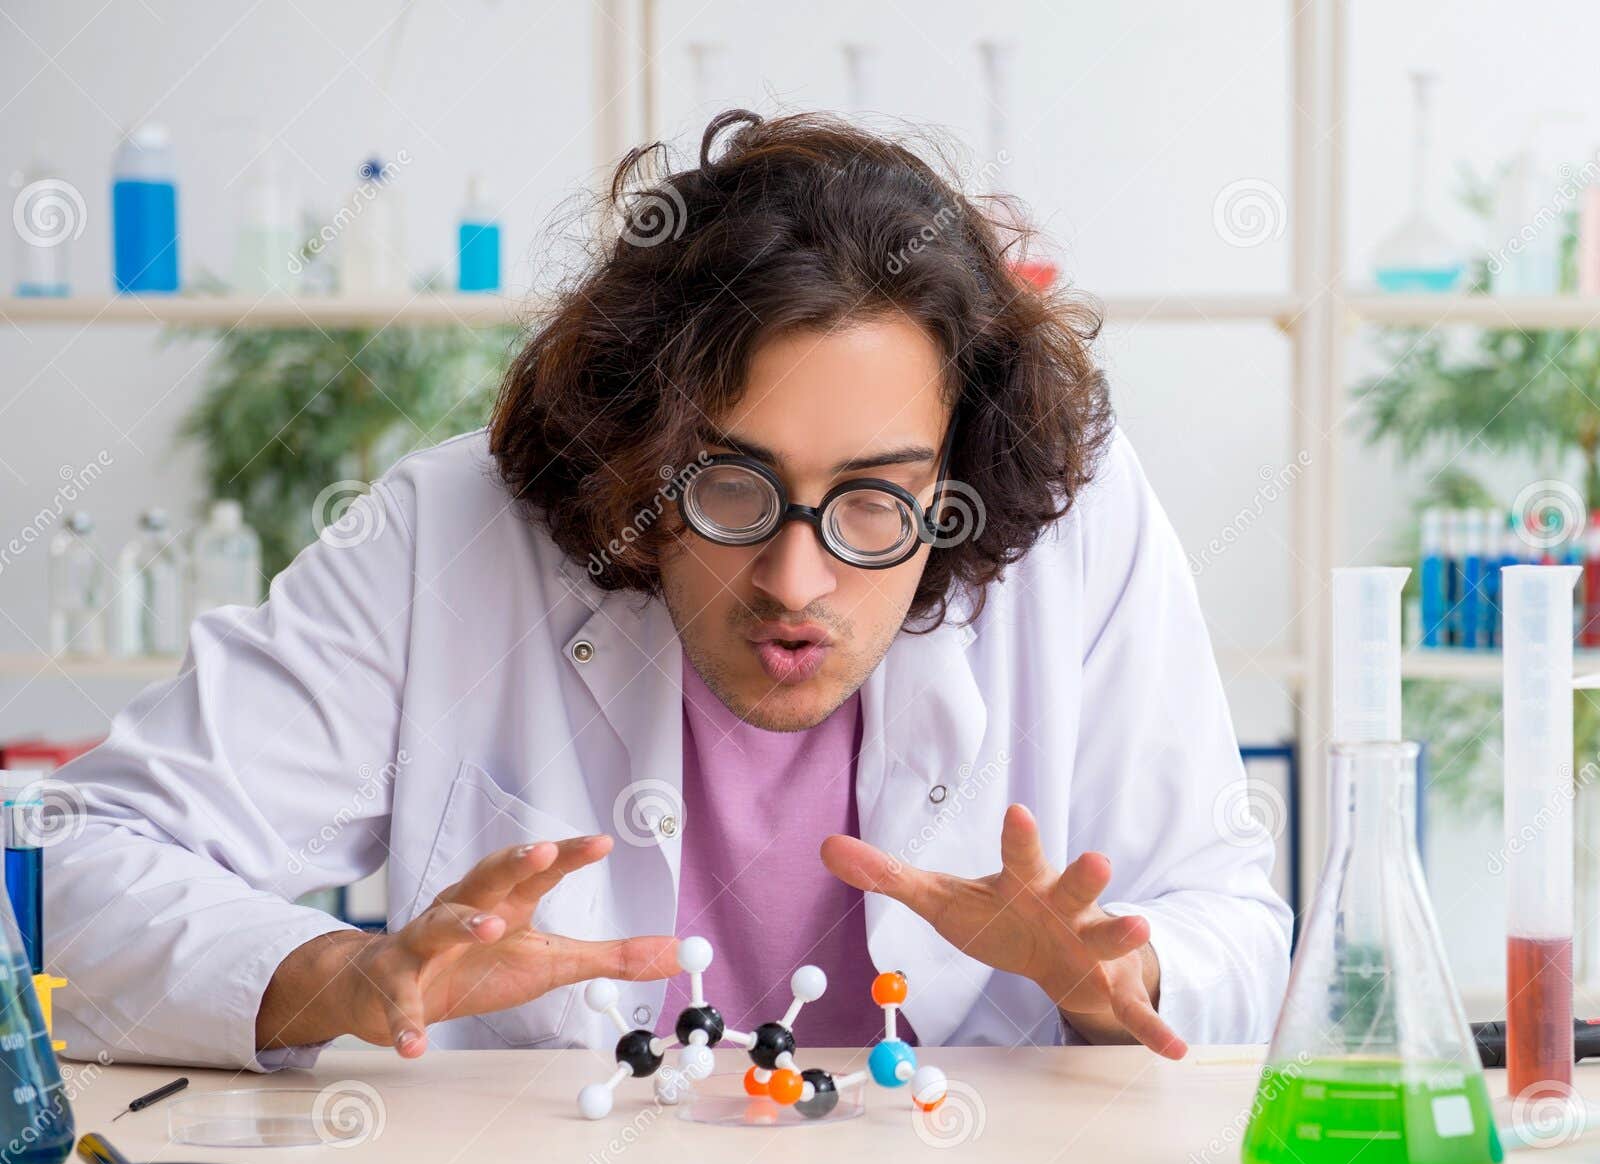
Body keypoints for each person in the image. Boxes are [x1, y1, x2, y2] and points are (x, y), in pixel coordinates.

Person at [49, 110, 1290, 1071]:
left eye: (877, 499)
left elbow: (1231, 920)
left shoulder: (1073, 527)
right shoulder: (450, 538)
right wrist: (335, 972)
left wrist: (1114, 976)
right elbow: (73, 863)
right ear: (635, 449)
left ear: (961, 478)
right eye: (731, 488)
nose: (795, 581)